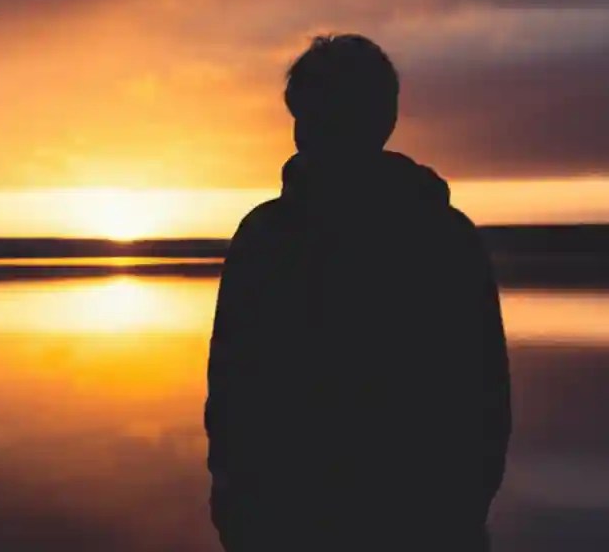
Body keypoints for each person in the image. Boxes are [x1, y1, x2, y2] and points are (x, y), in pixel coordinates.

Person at [205, 34, 511, 550]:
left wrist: (463, 507)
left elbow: (481, 390)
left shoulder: (441, 237)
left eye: (326, 115)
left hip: (415, 517)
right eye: (306, 115)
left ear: (381, 121)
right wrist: (234, 496)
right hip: (290, 516)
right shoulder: (266, 237)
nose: (312, 131)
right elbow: (233, 383)